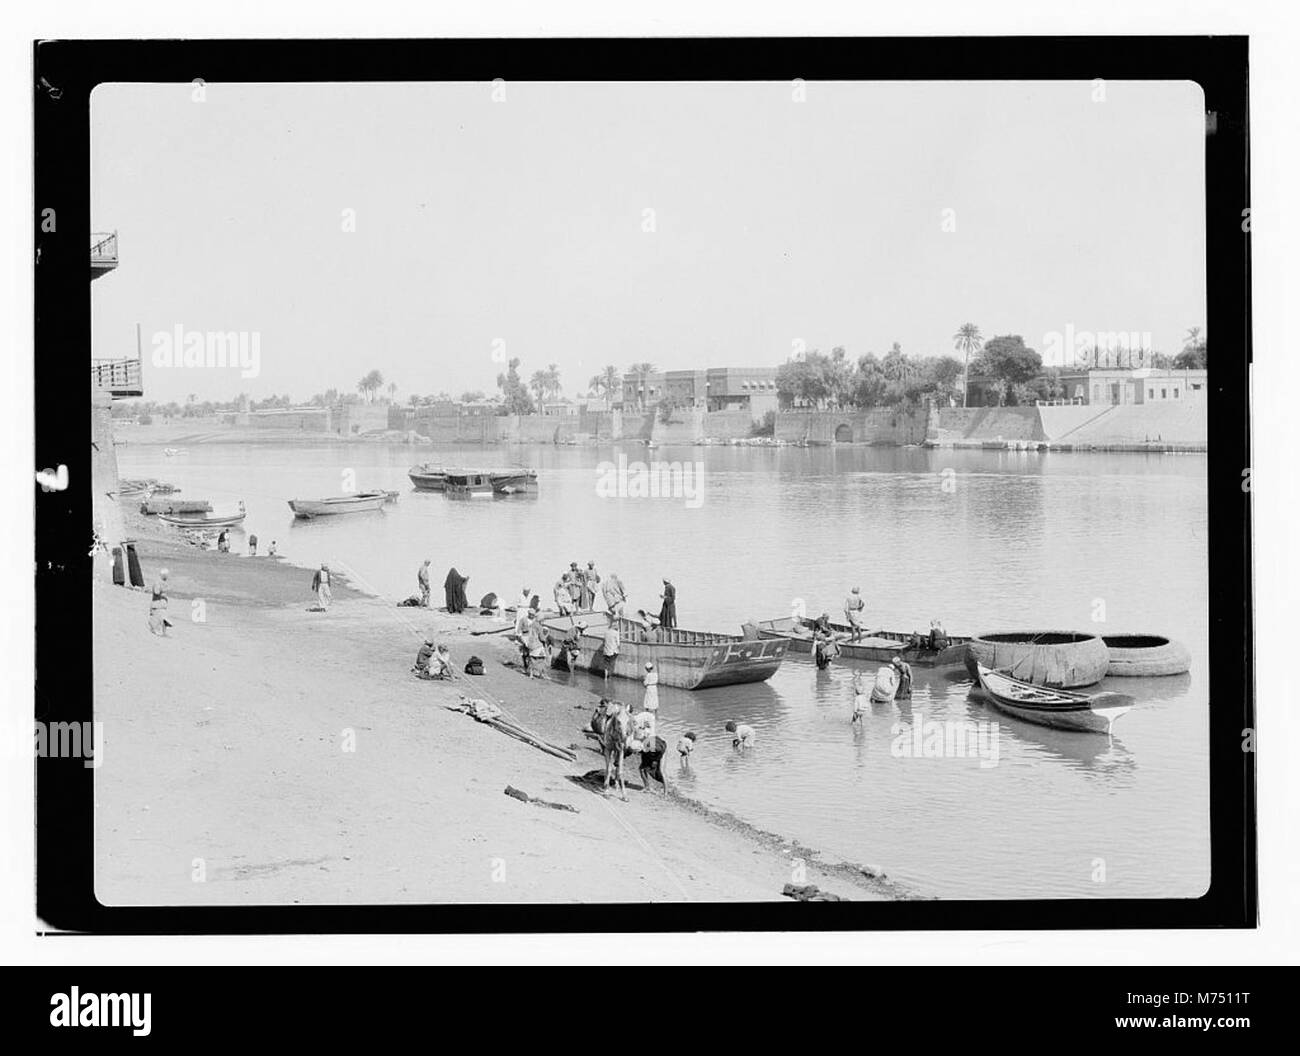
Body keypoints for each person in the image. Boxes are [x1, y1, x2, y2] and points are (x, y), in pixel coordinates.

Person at [148, 568, 172, 636]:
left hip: (162, 605)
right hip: (157, 604)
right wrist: (163, 590)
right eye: (166, 575)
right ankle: (155, 630)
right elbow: (156, 592)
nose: (167, 577)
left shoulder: (163, 583)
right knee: (157, 619)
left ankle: (164, 632)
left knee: (162, 619)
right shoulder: (157, 582)